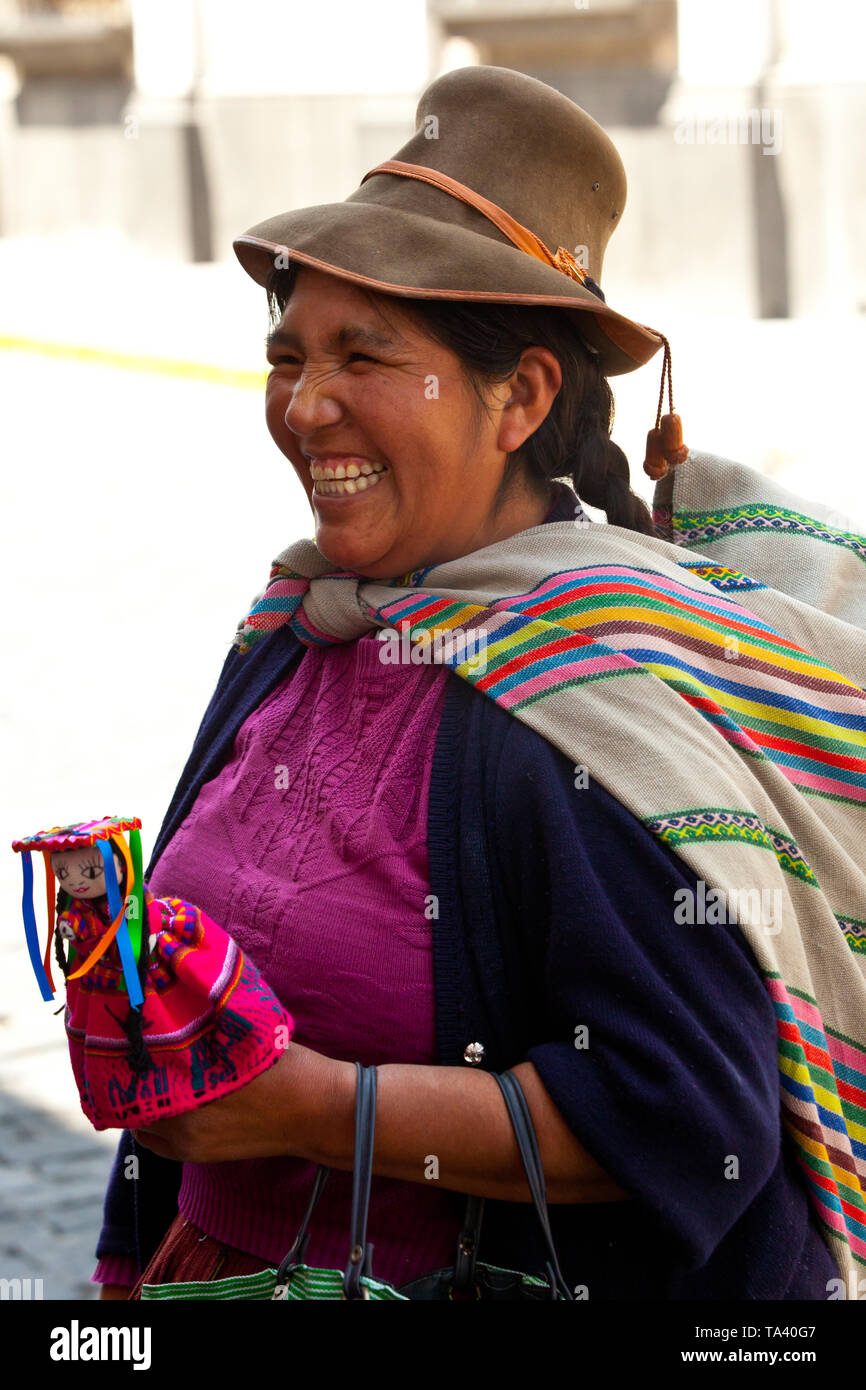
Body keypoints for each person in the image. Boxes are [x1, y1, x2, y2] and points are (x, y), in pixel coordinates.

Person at [93, 65, 865, 1301]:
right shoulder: (303, 625)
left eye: (364, 355)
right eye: (288, 356)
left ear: (520, 396)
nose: (306, 405)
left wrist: (313, 1112)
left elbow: (687, 1119)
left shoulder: (576, 698)